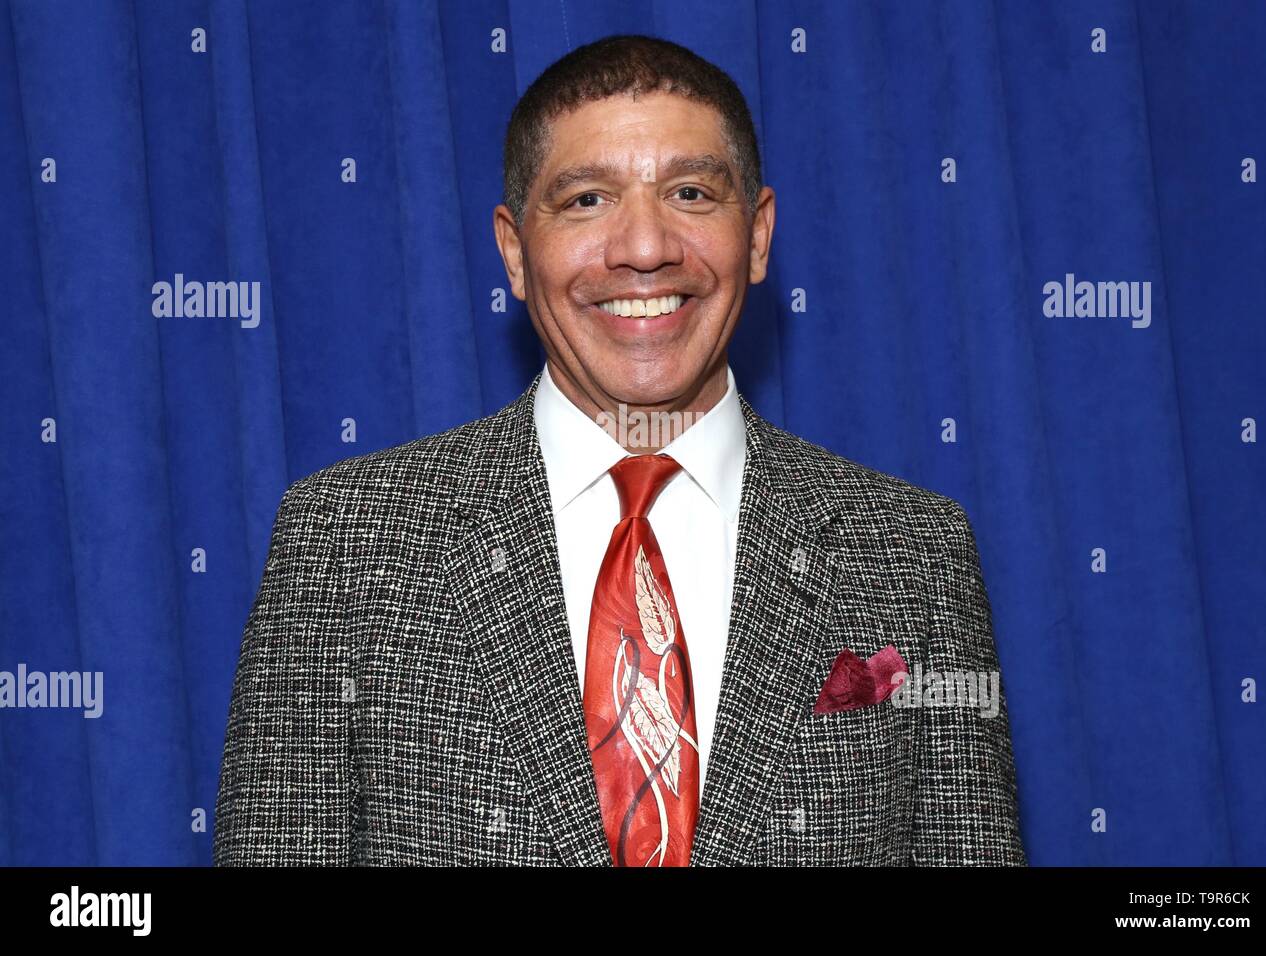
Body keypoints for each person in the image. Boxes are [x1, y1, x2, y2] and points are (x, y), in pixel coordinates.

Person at [213, 33, 1026, 866]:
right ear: (513, 251)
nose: (645, 247)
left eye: (691, 192)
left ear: (757, 236)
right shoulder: (344, 544)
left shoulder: (915, 557)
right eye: (587, 200)